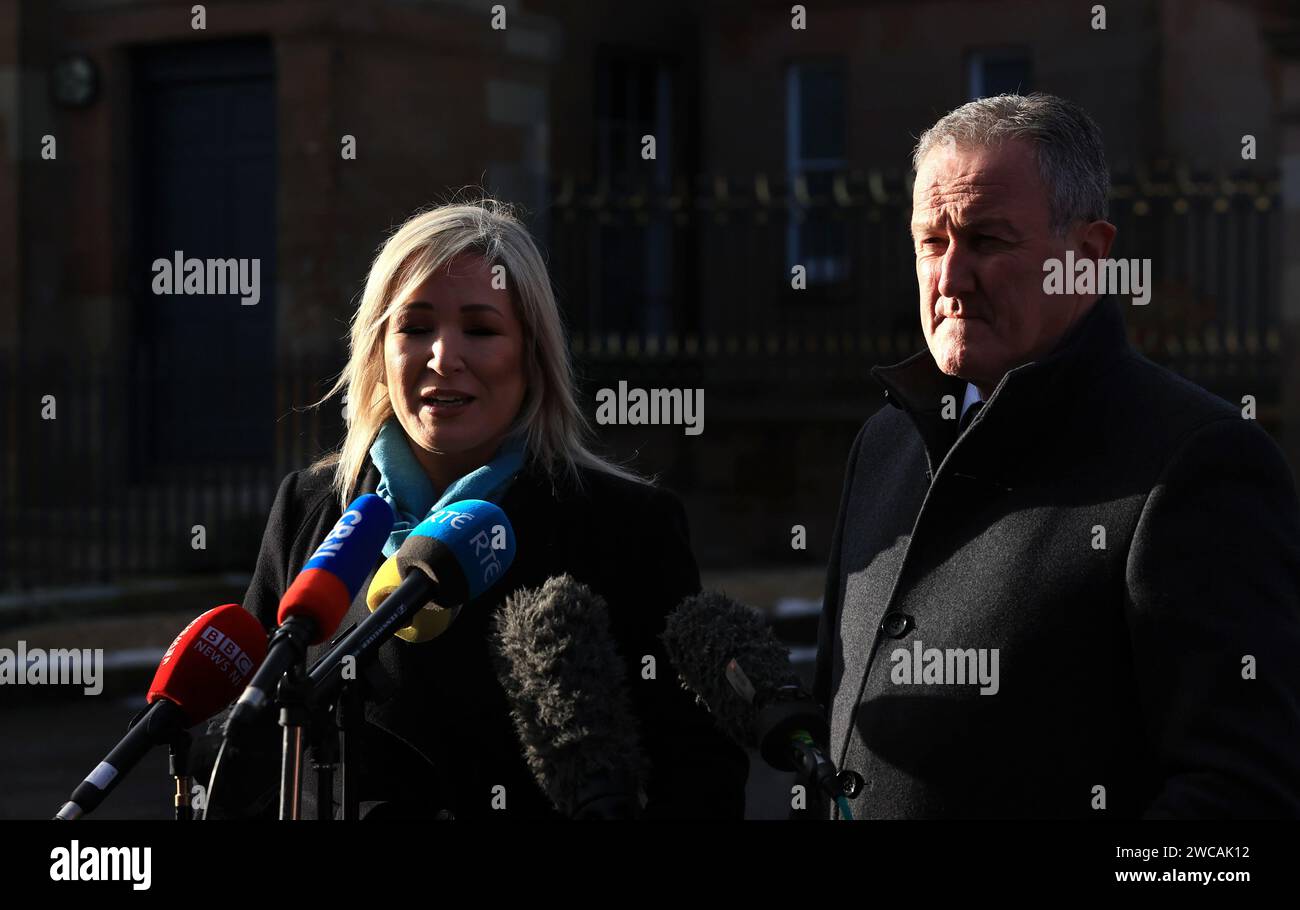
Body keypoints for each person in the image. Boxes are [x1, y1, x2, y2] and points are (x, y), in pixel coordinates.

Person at [814, 93, 1300, 818]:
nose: (949, 279)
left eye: (987, 241)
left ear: (1089, 256)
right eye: (931, 242)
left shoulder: (1196, 463)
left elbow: (1242, 803)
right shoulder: (883, 445)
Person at [199, 199, 748, 819]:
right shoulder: (311, 507)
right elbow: (240, 750)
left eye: (481, 330)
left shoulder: (627, 528)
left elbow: (699, 776)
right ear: (378, 349)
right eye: (415, 326)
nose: (443, 356)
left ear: (532, 354)